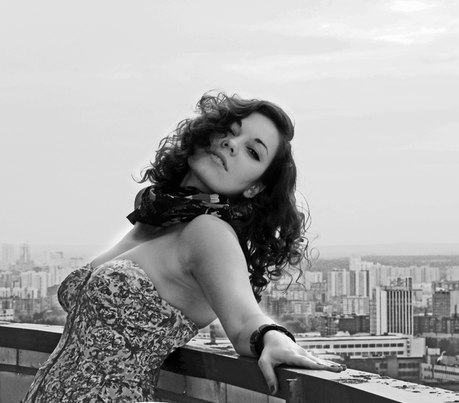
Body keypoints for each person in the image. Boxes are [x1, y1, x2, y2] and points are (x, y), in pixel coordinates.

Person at [23, 92, 345, 402]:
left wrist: (273, 338)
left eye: (252, 151)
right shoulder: (156, 219)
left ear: (255, 187)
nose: (231, 144)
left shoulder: (208, 232)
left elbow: (246, 320)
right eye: (229, 131)